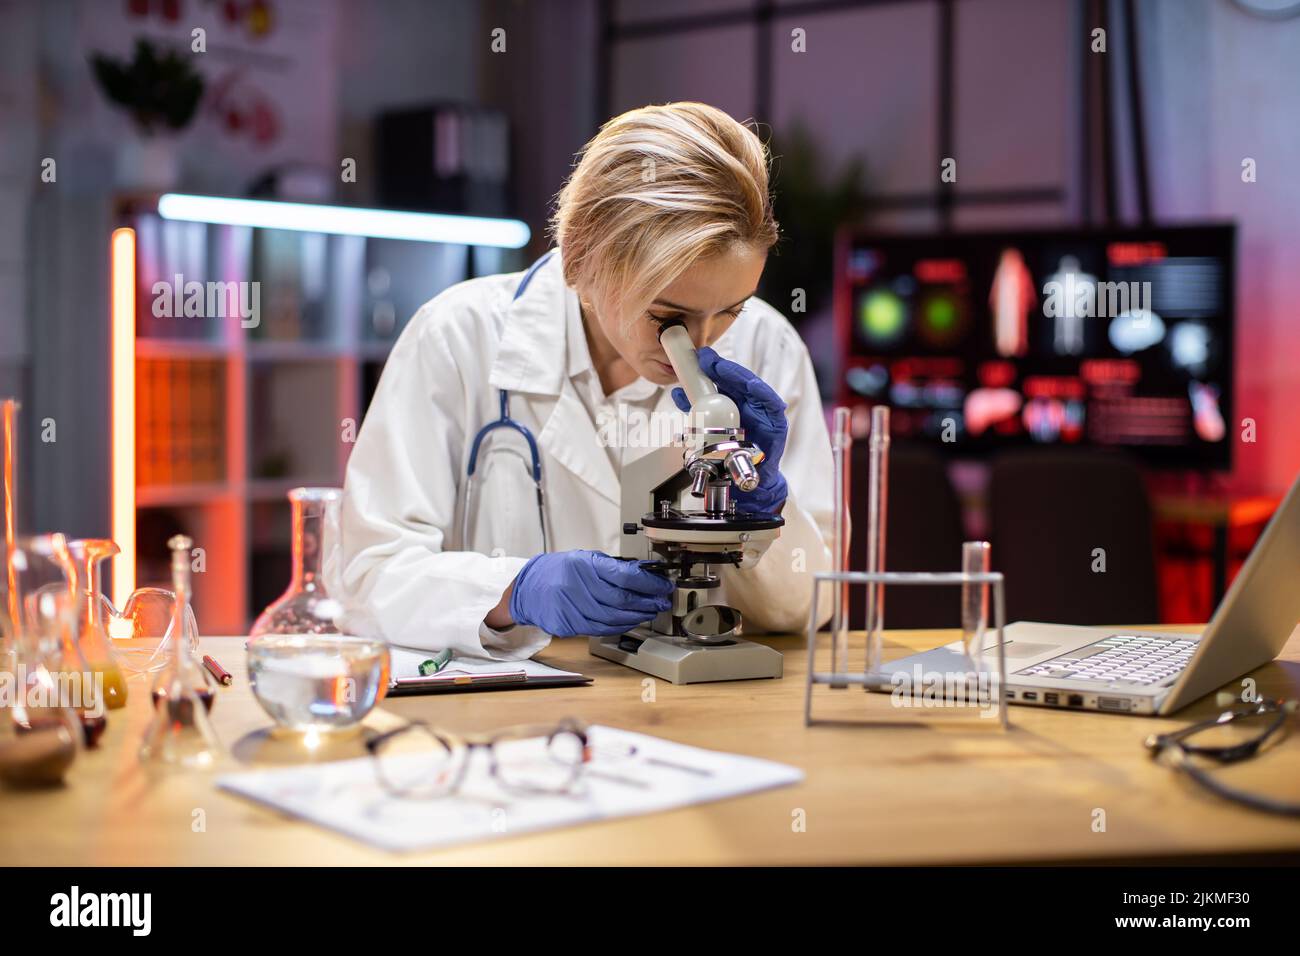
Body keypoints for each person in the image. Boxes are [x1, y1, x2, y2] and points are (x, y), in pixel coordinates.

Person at [342, 102, 835, 660]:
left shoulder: (769, 347)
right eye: (668, 317)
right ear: (580, 260)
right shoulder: (457, 338)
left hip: (702, 717)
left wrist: (765, 511)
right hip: (510, 722)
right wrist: (513, 592)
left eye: (731, 311)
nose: (703, 346)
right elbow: (368, 578)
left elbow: (809, 609)